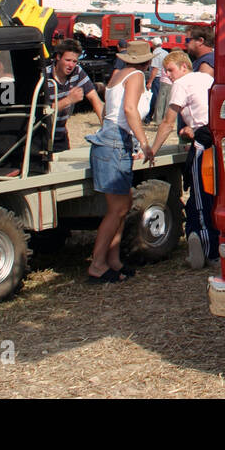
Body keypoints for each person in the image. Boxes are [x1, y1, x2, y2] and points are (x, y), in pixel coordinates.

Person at [85, 40, 156, 284]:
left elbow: (107, 112)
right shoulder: (136, 75)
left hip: (110, 138)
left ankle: (112, 260)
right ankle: (97, 264)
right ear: (146, 61)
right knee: (116, 210)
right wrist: (144, 142)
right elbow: (130, 109)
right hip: (116, 141)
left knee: (122, 207)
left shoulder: (118, 75)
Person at [148, 50, 216, 268]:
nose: (168, 75)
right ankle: (198, 235)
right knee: (212, 193)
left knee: (199, 191)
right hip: (216, 135)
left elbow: (168, 121)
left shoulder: (182, 83)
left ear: (184, 67)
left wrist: (153, 149)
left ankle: (208, 248)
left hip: (202, 139)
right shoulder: (207, 77)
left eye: (171, 70)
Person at [45, 39, 103, 151]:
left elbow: (94, 98)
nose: (71, 65)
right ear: (58, 57)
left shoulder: (77, 72)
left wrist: (106, 129)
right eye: (67, 60)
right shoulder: (45, 77)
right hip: (43, 135)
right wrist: (68, 100)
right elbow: (44, 112)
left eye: (74, 61)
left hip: (61, 135)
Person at [148, 36, 168, 123]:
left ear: (153, 45)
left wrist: (150, 82)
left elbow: (155, 69)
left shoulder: (155, 53)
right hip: (164, 78)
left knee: (154, 98)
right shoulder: (165, 53)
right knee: (162, 99)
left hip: (157, 78)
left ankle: (149, 117)